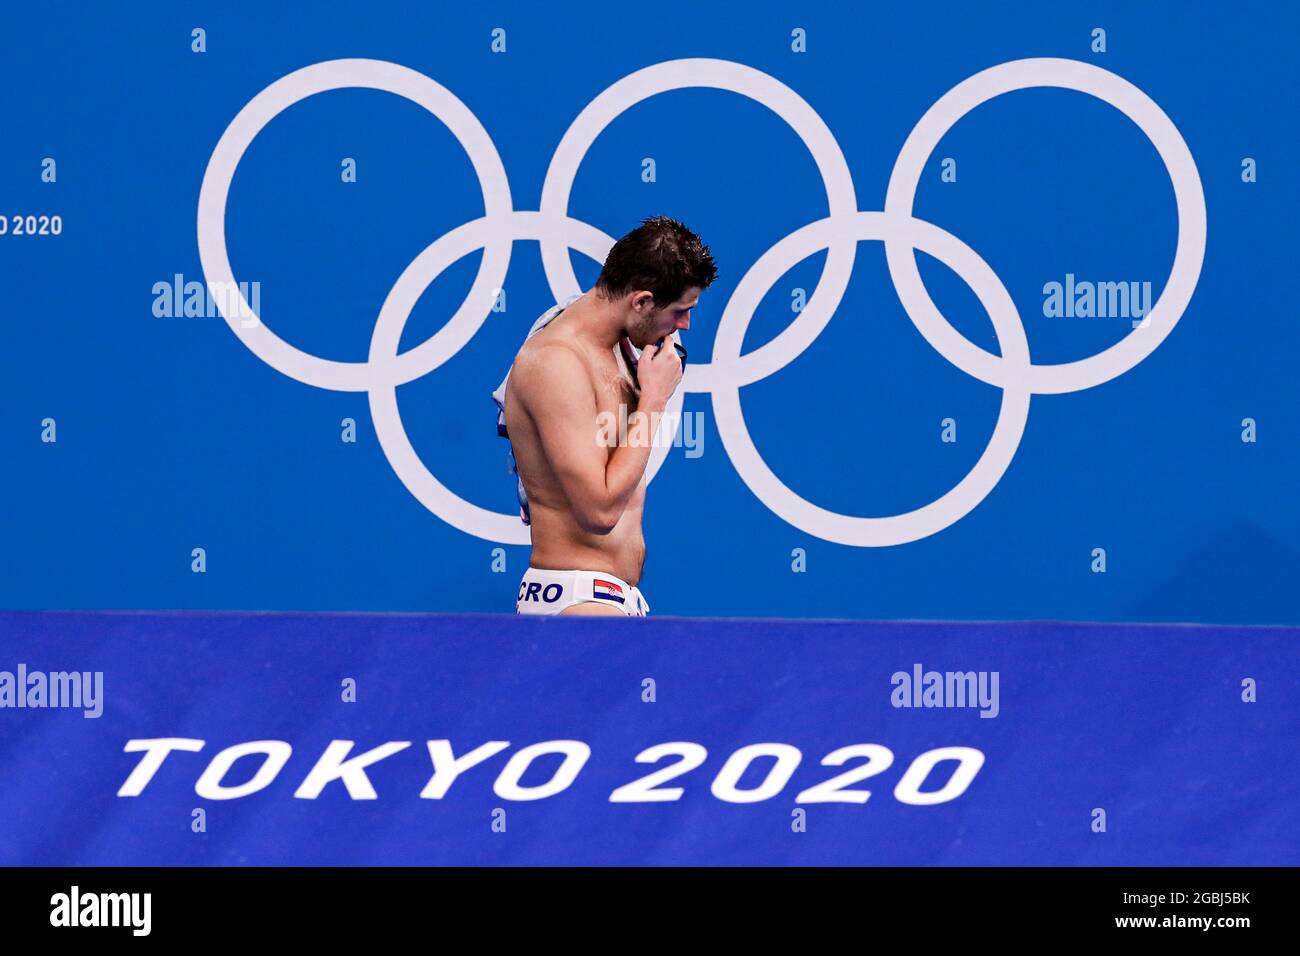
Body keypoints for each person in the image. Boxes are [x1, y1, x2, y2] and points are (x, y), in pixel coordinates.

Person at [495, 216, 717, 616]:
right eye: (680, 311)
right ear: (641, 301)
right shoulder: (555, 363)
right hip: (575, 602)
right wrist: (652, 401)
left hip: (613, 600)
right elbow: (599, 512)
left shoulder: (623, 346)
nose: (684, 325)